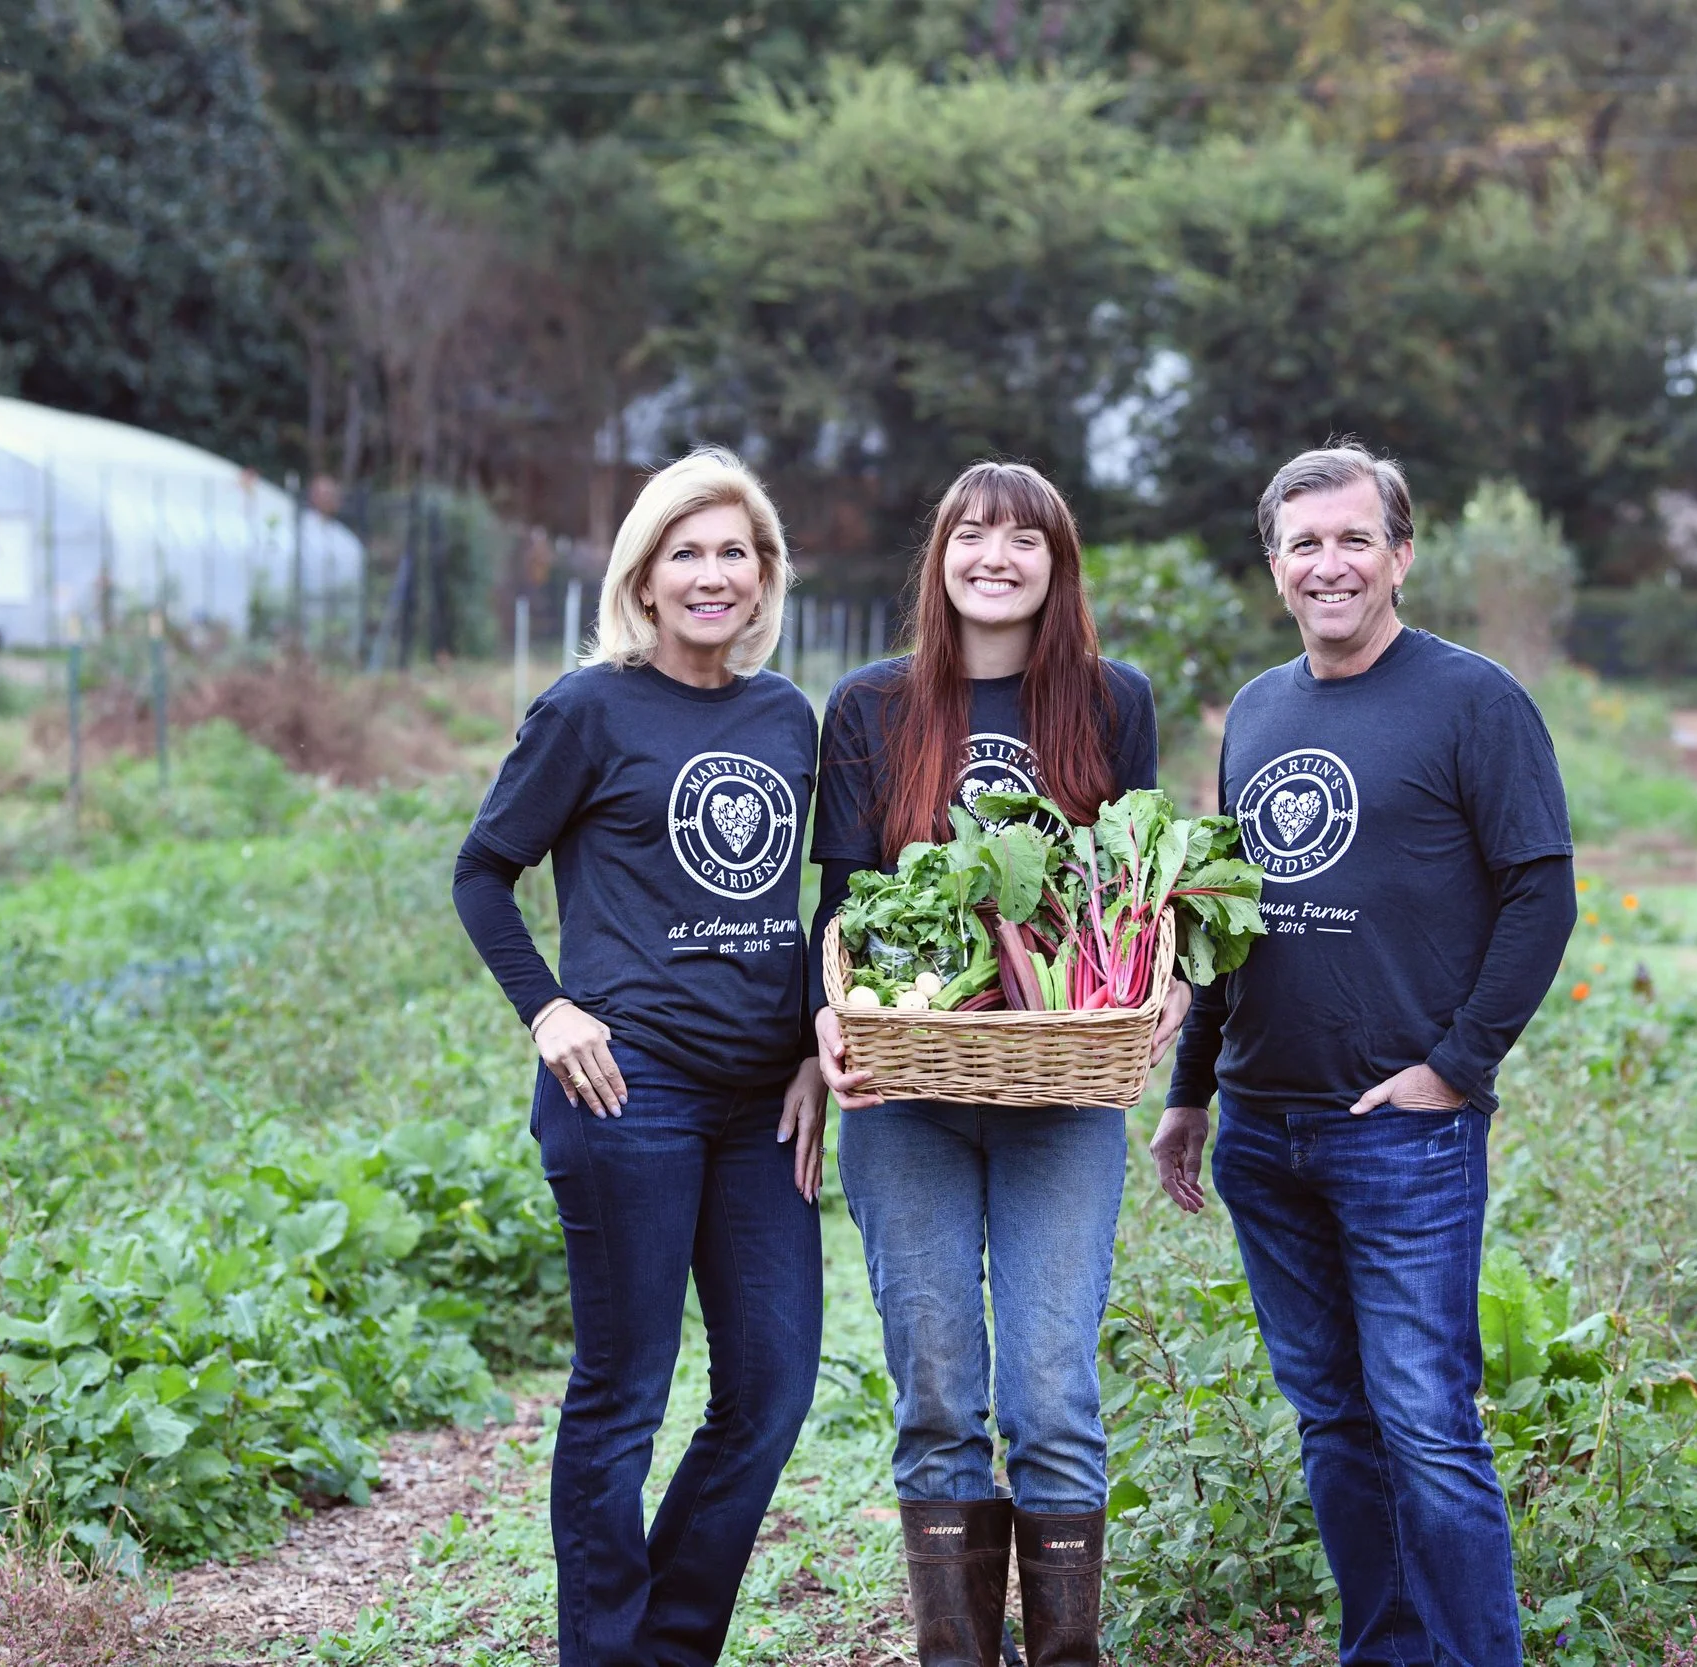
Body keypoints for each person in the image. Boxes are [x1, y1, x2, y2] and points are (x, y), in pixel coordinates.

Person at [1149, 443, 1576, 1667]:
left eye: (1351, 539)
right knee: (1333, 1422)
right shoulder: (1262, 709)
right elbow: (1228, 922)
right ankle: (1383, 1650)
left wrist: (1457, 1065)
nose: (1327, 564)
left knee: (1427, 1427)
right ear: (1273, 565)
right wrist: (1190, 1091)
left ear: (1399, 553)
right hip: (1264, 1129)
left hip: (1401, 1130)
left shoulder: (1471, 699)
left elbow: (1540, 897)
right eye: (1303, 544)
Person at [451, 448, 826, 1667]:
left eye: (734, 552)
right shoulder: (587, 708)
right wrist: (547, 1009)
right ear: (646, 578)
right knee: (624, 1396)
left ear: (764, 576)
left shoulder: (785, 715)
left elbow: (813, 900)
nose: (712, 574)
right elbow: (482, 870)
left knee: (768, 1392)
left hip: (760, 1103)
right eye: (687, 553)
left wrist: (819, 1049)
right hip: (628, 1095)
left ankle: (662, 1647)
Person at [810, 461, 1180, 1667]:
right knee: (931, 1391)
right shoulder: (870, 707)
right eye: (972, 533)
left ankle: (1066, 1651)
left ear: (1056, 564)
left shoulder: (1111, 700)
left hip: (1060, 1097)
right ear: (941, 556)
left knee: (1052, 1393)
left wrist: (1165, 982)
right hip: (908, 1096)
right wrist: (828, 1025)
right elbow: (844, 906)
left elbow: (1139, 883)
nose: (996, 556)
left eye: (1024, 539)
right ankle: (955, 1653)